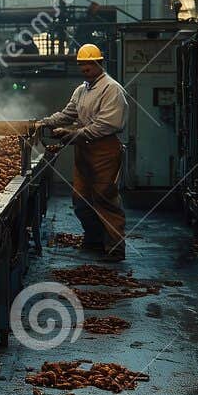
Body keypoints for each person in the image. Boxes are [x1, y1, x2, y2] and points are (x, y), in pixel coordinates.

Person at [31, 44, 129, 262]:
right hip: (85, 150)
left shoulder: (111, 89)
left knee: (105, 198)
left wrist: (75, 133)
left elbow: (106, 124)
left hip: (104, 149)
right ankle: (94, 239)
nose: (84, 68)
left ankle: (115, 247)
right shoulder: (82, 89)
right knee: (81, 198)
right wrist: (44, 123)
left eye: (89, 64)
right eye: (81, 64)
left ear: (99, 63)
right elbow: (68, 114)